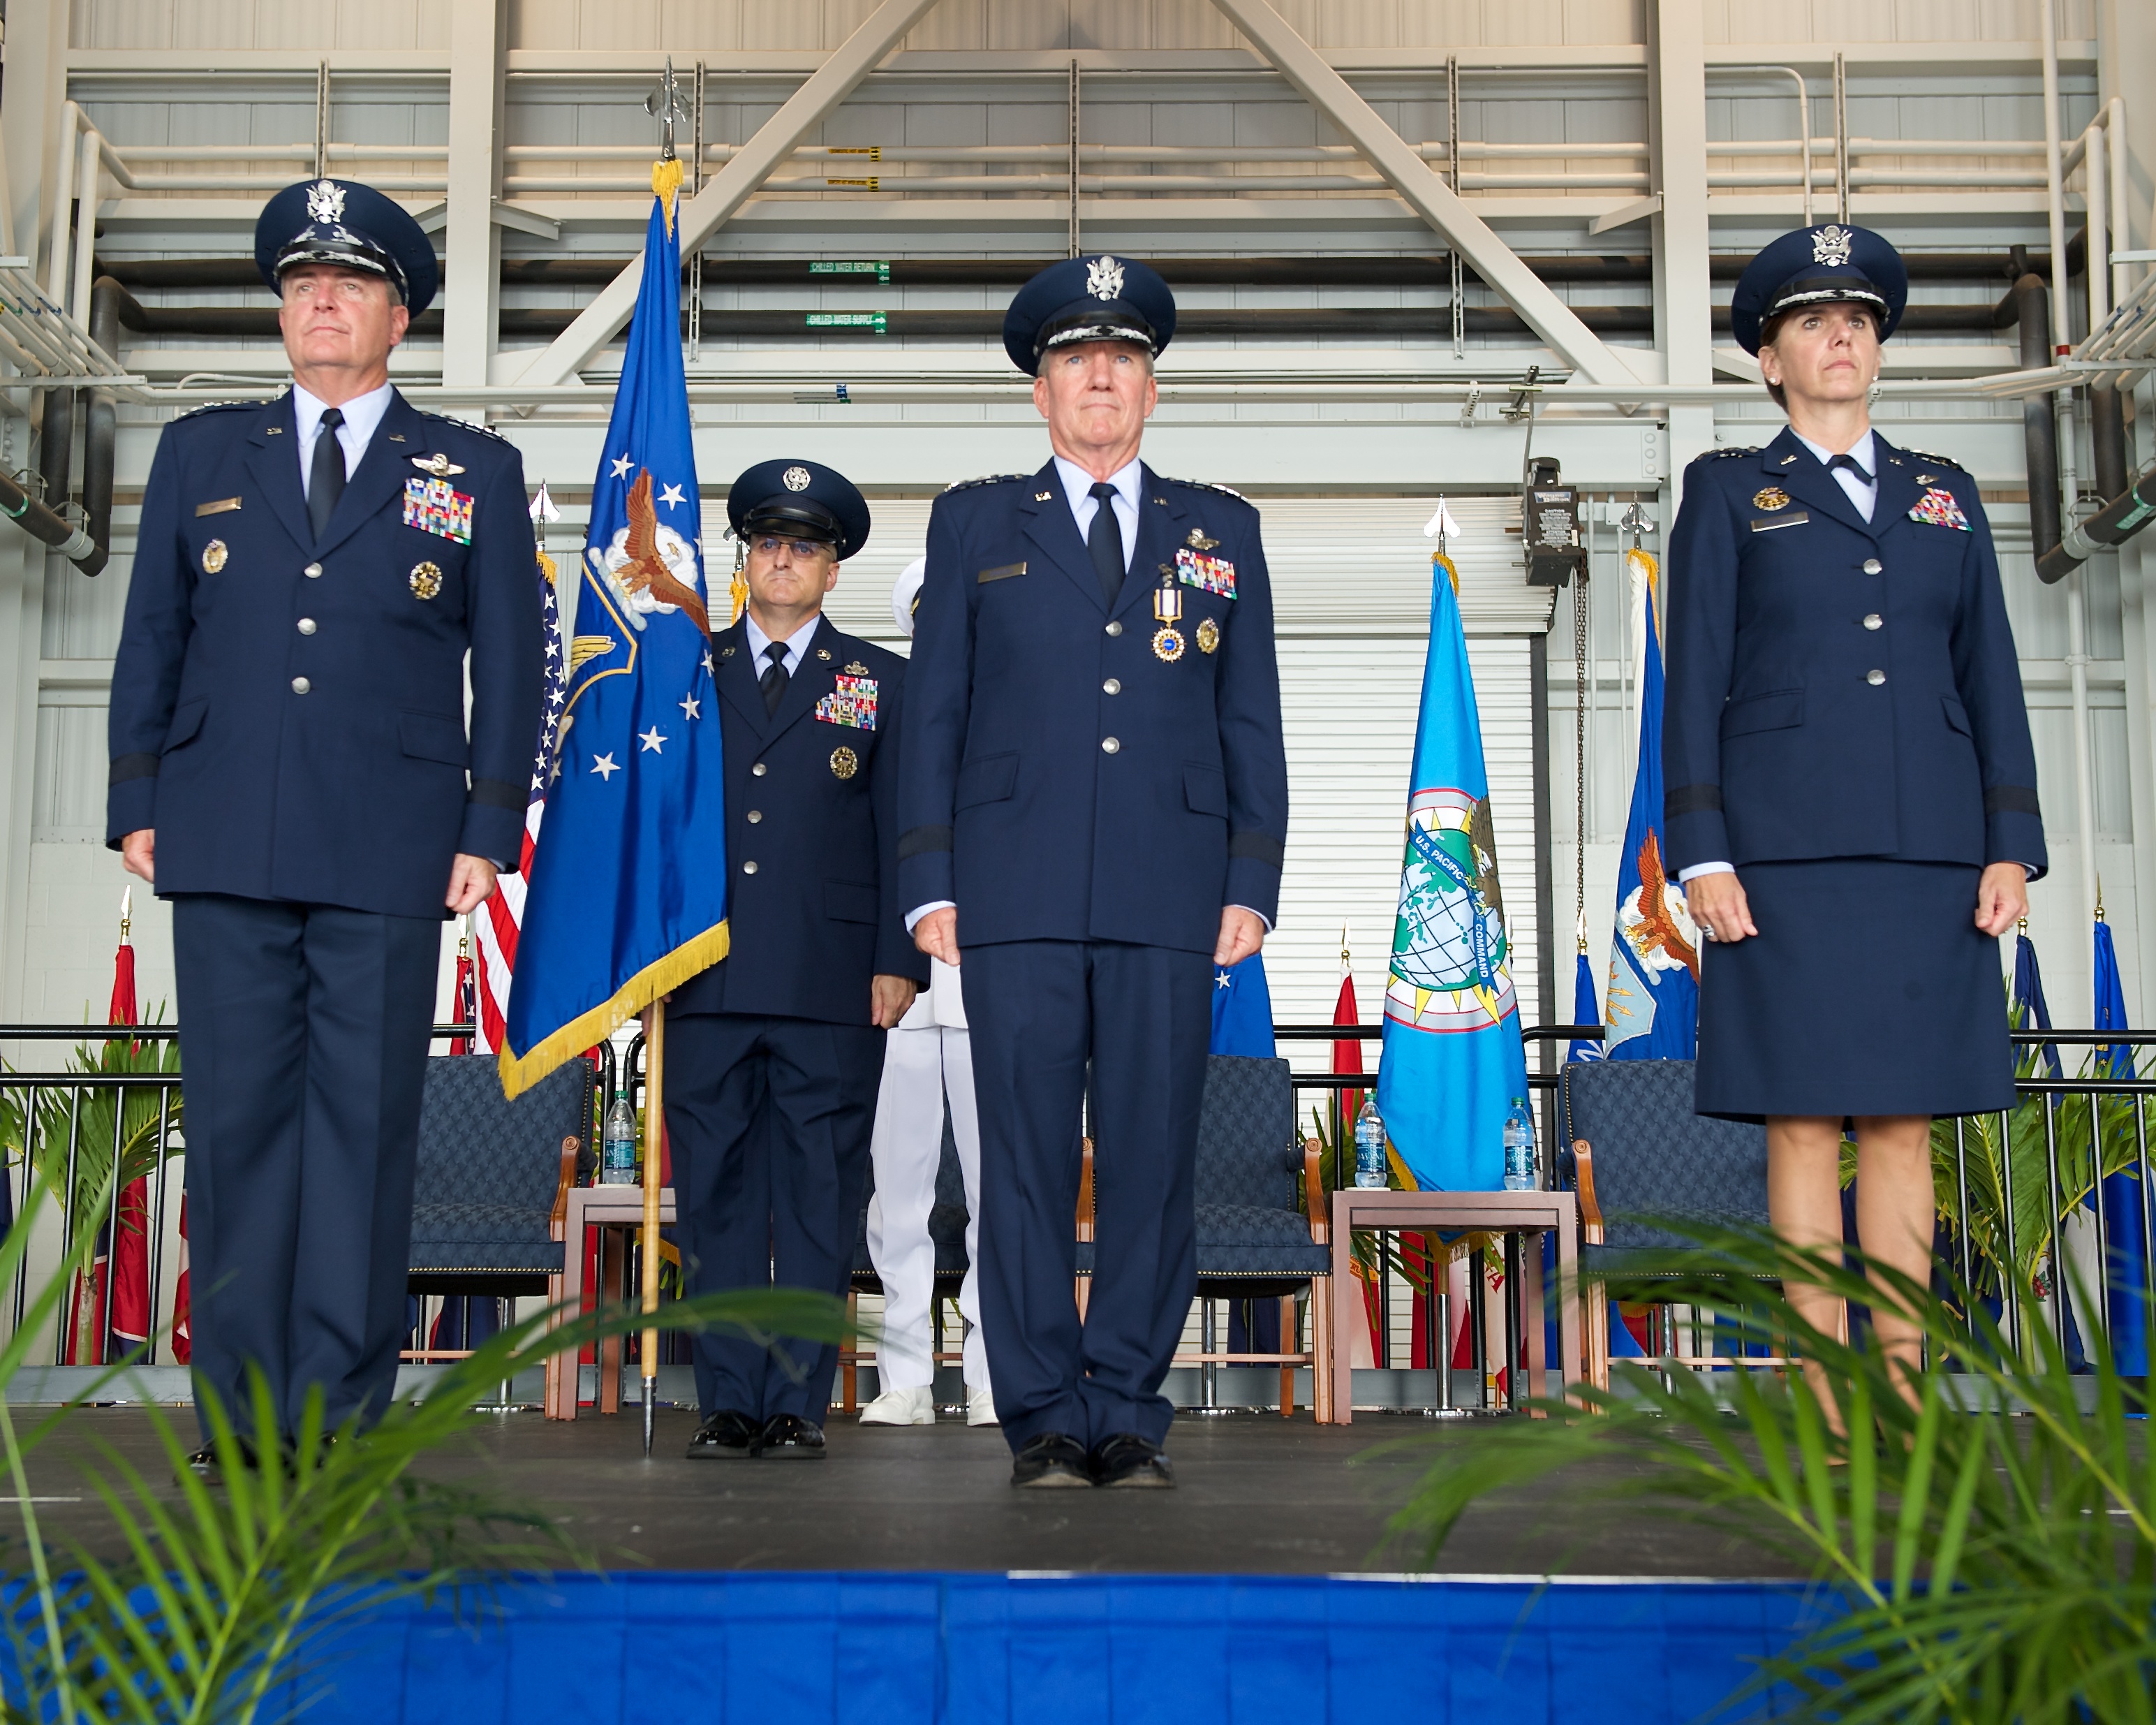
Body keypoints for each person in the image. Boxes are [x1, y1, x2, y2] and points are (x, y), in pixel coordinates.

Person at [105, 177, 543, 1463]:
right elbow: (154, 637)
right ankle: (239, 1416)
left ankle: (341, 1411)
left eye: (348, 286)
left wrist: (489, 823)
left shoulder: (470, 468)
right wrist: (139, 795)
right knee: (240, 1130)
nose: (322, 303)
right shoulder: (200, 451)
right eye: (303, 286)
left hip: (392, 844)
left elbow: (510, 668)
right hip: (225, 829)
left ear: (396, 317)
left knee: (361, 1134)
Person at [898, 255, 1290, 1488]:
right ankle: (1040, 1419)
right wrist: (927, 876)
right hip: (1008, 888)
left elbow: (1250, 717)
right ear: (1040, 392)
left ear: (1152, 387)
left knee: (1150, 1156)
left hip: (1170, 888)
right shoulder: (973, 522)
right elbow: (934, 717)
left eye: (1122, 357)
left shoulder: (1221, 529)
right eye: (1076, 358)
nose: (1101, 376)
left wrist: (1251, 876)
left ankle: (1123, 1400)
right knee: (1014, 1162)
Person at [1662, 221, 2046, 1396]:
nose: (1841, 336)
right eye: (1812, 322)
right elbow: (1695, 683)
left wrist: (2009, 845)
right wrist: (1702, 853)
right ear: (1769, 360)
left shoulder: (1945, 497)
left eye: (1858, 321)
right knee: (1798, 1126)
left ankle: (1896, 1387)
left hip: (1927, 854)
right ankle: (1822, 1400)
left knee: (1899, 1125)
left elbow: (1989, 674)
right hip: (1779, 856)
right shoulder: (1728, 493)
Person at [665, 460, 925, 1461]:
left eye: (805, 546)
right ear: (744, 557)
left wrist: (899, 954)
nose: (784, 558)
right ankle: (730, 1397)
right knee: (720, 1195)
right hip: (705, 970)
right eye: (768, 541)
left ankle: (799, 1400)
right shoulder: (687, 669)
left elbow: (905, 827)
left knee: (818, 1196)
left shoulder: (879, 681)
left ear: (832, 568)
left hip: (832, 979)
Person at [858, 557, 995, 1430]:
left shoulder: (1017, 714)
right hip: (906, 985)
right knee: (896, 1195)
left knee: (999, 1193)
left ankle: (992, 1371)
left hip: (995, 986)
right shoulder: (890, 712)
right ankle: (902, 1373)